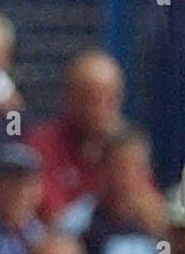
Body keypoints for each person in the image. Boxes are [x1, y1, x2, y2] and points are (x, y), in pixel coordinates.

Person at [27, 46, 129, 222]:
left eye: (109, 98)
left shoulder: (128, 150)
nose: (100, 109)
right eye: (91, 98)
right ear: (70, 96)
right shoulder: (42, 145)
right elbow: (51, 215)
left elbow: (151, 216)